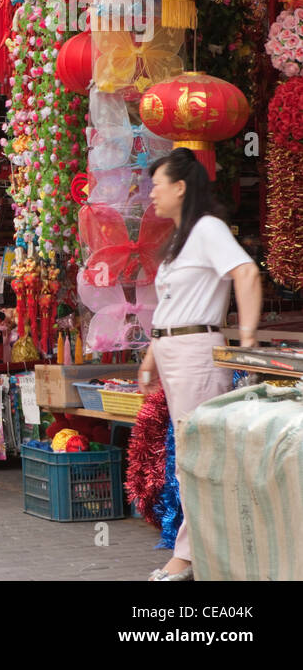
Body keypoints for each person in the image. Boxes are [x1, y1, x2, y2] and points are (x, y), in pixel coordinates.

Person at [140, 148, 261, 581]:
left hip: (197, 350)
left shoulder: (208, 227)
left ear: (180, 187)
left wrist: (246, 339)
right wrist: (152, 356)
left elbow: (245, 273)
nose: (151, 193)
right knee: (189, 453)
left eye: (157, 184)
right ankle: (206, 550)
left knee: (197, 453)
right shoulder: (181, 237)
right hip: (175, 349)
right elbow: (170, 305)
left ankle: (189, 555)